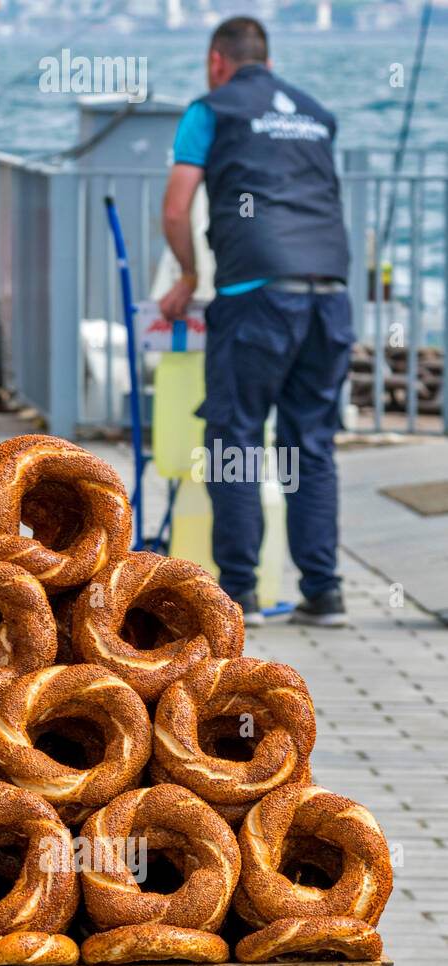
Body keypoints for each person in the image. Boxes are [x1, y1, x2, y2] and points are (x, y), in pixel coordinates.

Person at [159, 16, 352, 629]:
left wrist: (188, 276)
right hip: (331, 290)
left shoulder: (211, 109)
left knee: (234, 440)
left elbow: (176, 207)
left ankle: (238, 594)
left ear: (218, 60)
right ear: (265, 59)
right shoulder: (317, 113)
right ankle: (324, 592)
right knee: (311, 443)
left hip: (258, 295)